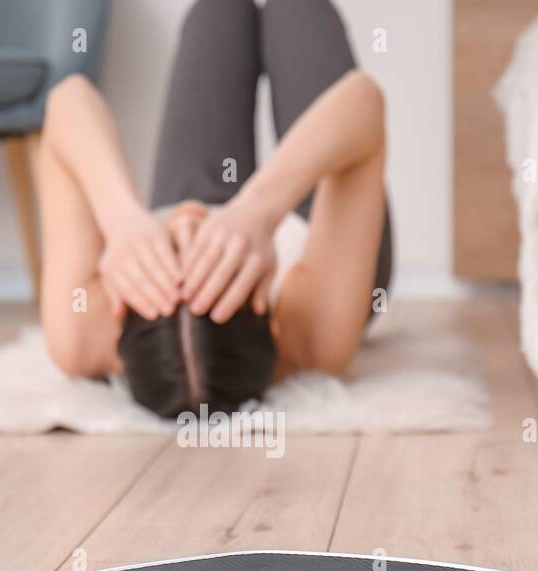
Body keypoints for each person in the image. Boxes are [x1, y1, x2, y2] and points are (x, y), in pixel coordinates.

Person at [36, 0, 393, 417]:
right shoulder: (313, 333)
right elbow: (364, 102)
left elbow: (68, 99)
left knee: (219, 11)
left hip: (227, 212)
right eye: (207, 258)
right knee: (297, 9)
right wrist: (261, 210)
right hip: (322, 227)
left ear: (122, 310)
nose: (190, 222)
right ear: (272, 320)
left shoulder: (83, 335)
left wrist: (124, 222)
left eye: (173, 253)